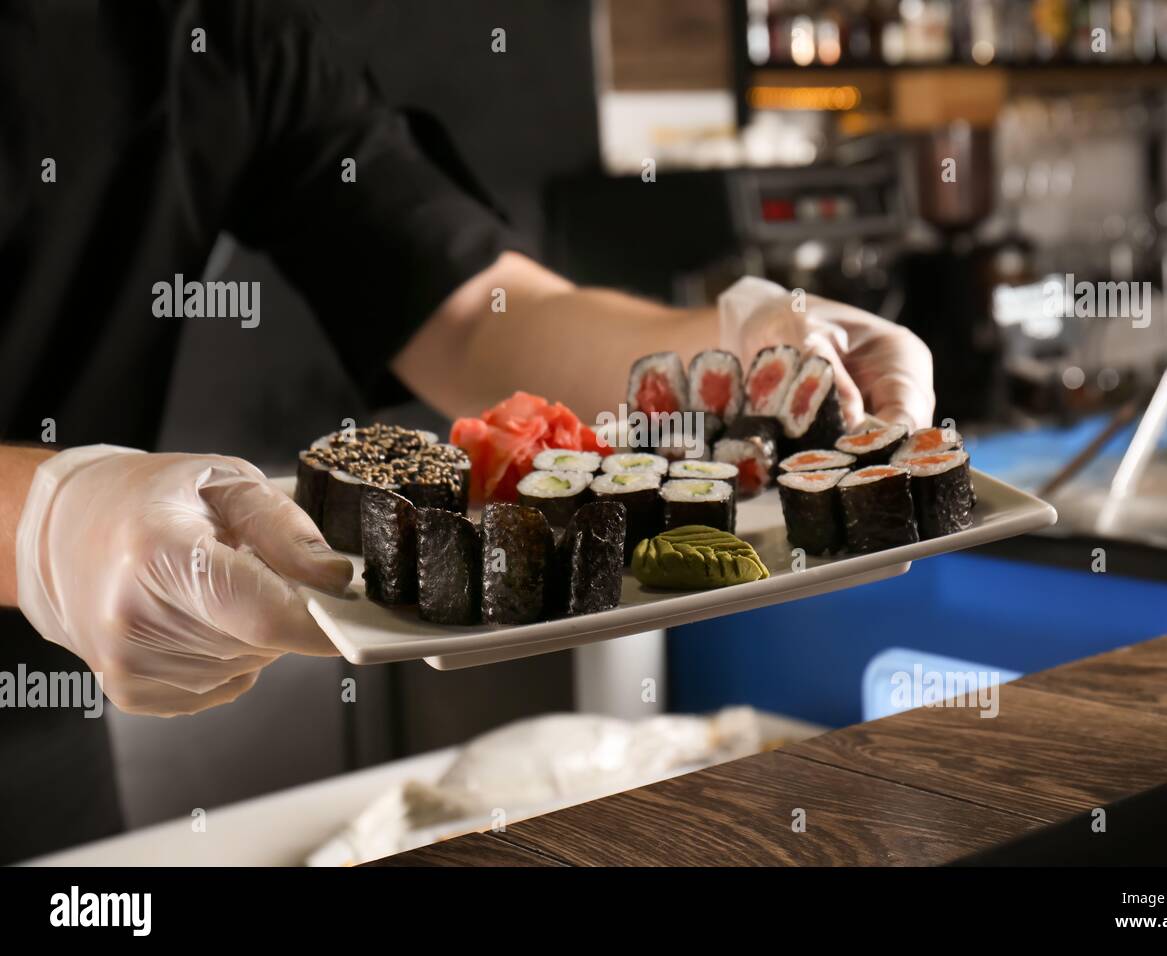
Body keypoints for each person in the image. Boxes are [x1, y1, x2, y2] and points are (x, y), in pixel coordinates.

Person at [0, 0, 933, 860]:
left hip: (44, 751)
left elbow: (471, 313)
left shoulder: (213, 25)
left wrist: (744, 350)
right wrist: (38, 529)